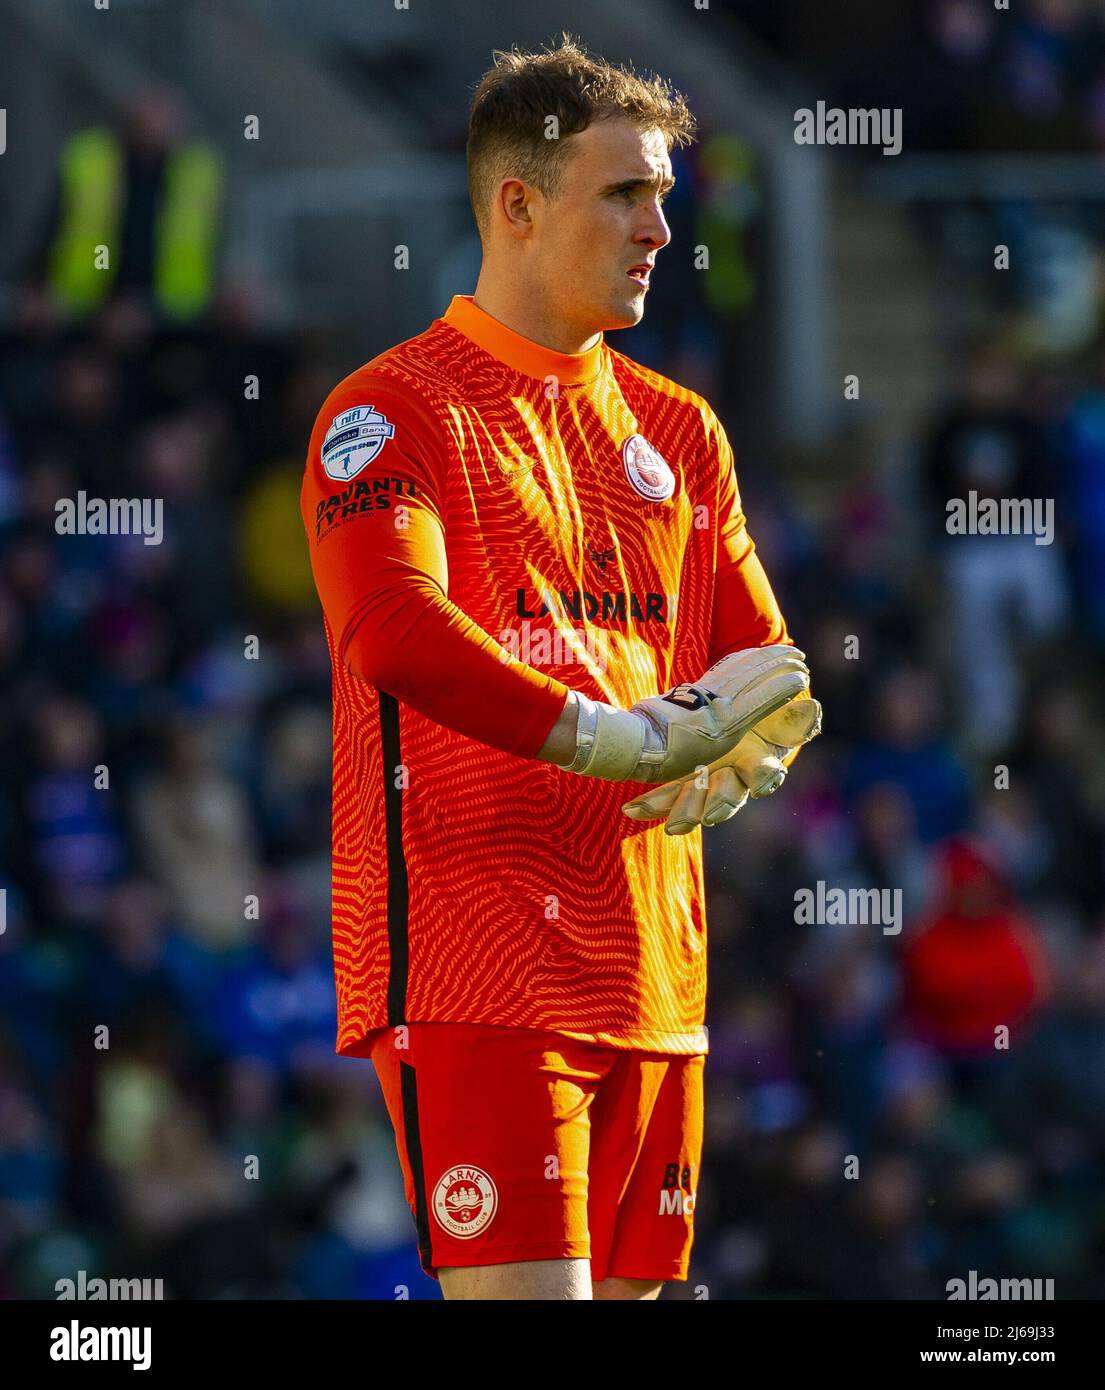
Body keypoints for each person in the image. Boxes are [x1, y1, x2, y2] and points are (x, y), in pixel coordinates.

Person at [300, 37, 818, 1302]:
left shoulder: (679, 429)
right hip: (477, 962)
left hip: (653, 969)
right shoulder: (391, 410)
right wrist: (616, 737)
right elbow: (395, 632)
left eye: (662, 194)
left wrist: (760, 735)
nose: (660, 225)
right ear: (517, 206)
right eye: (625, 194)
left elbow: (761, 659)